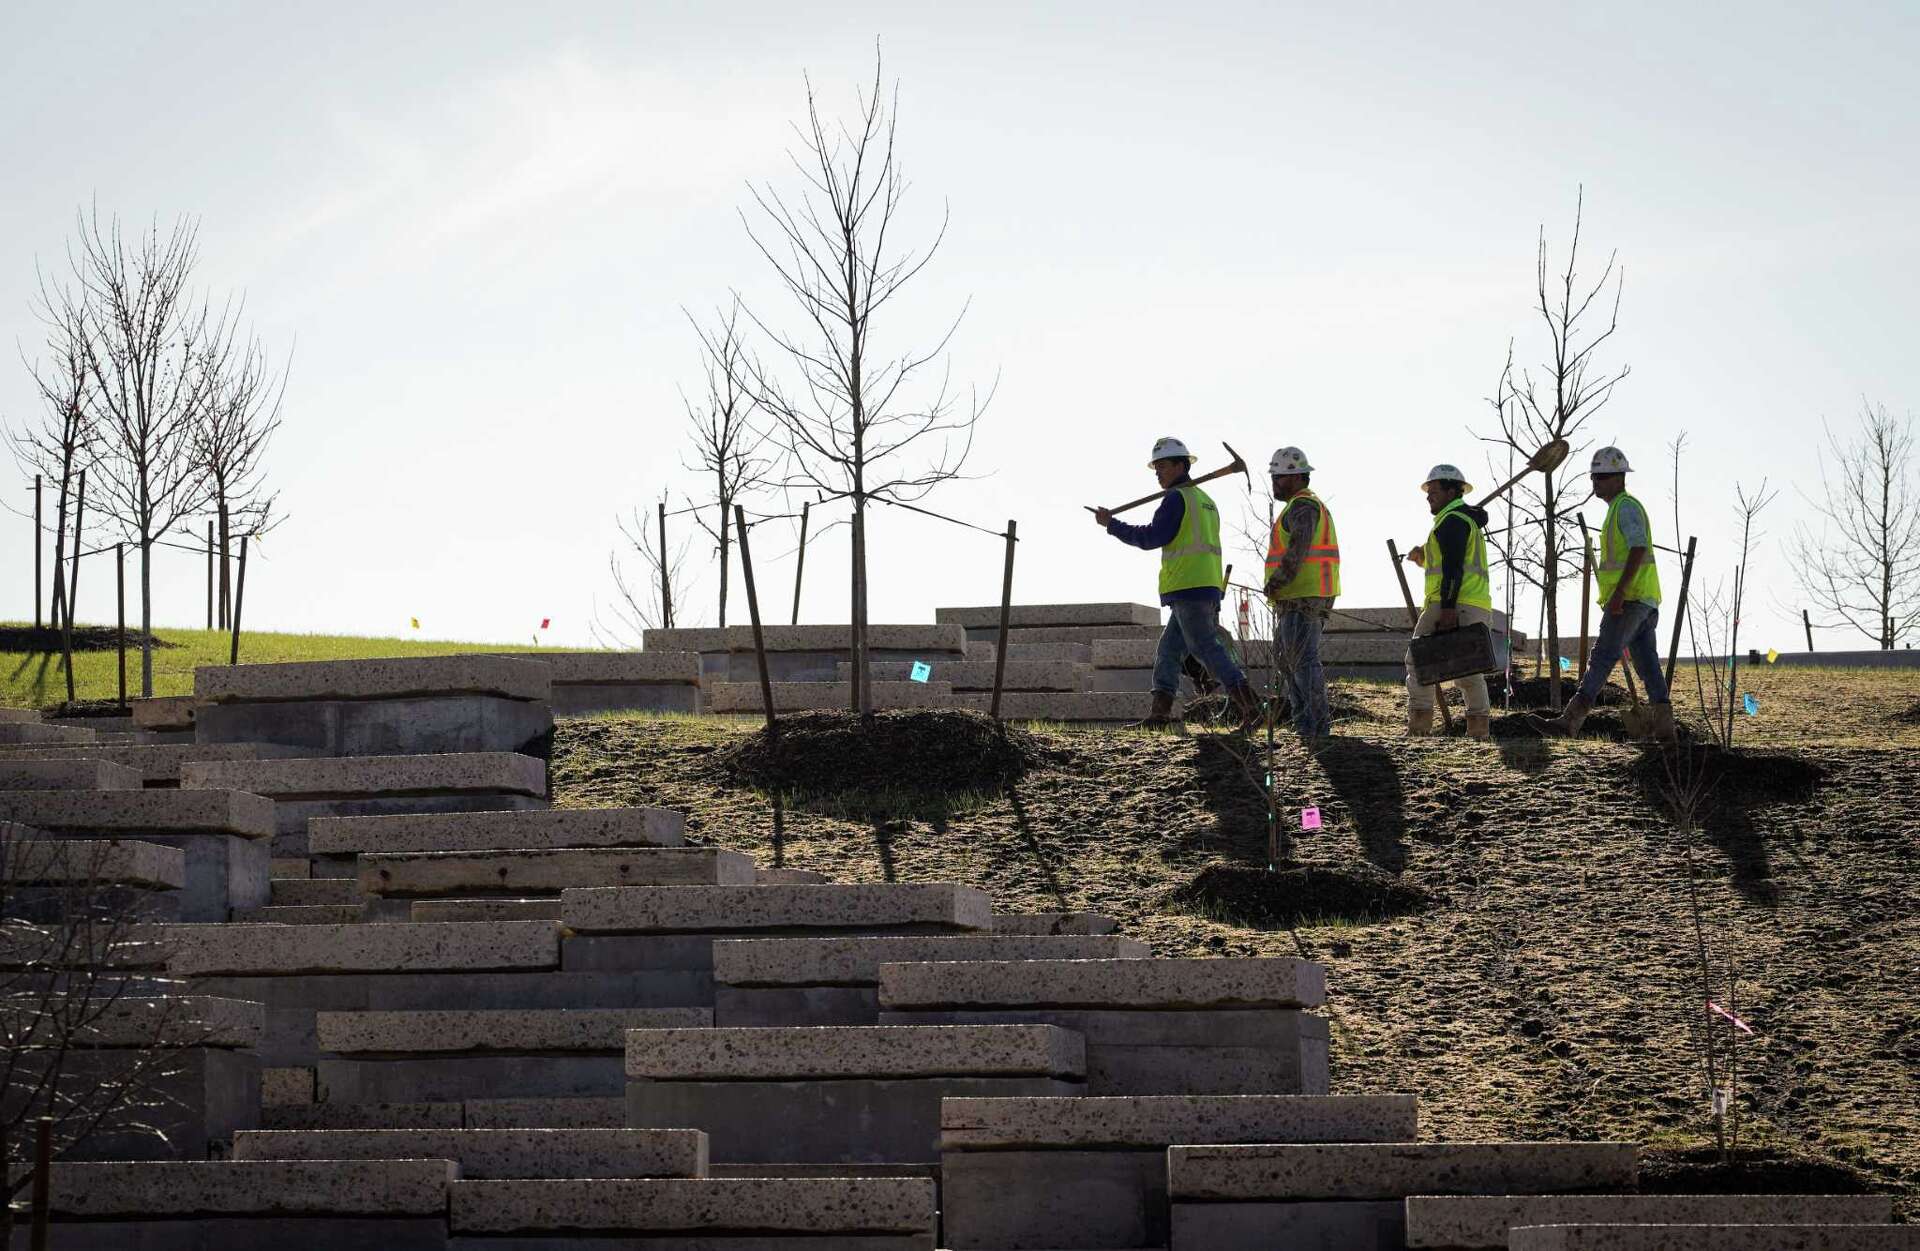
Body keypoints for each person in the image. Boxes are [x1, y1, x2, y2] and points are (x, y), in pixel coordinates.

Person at [1095, 436, 1261, 730]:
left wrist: (1112, 525)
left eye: (1162, 466)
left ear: (1180, 465)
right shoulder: (1205, 501)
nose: (1157, 472)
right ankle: (1159, 715)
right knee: (1169, 650)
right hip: (1204, 586)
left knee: (1206, 648)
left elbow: (1151, 537)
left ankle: (1251, 706)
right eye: (1155, 467)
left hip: (1189, 587)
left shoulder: (1176, 498)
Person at [1536, 447, 1677, 743]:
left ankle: (1570, 721)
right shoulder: (1617, 509)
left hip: (1629, 601)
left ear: (1619, 478)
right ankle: (1666, 731)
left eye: (1602, 476)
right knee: (1648, 665)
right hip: (1644, 601)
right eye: (1593, 476)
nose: (1595, 481)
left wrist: (1619, 594)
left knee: (1601, 657)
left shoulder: (1625, 507)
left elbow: (1638, 549)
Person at [1402, 464, 1494, 740]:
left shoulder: (1452, 521)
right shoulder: (1461, 521)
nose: (1428, 496)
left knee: (1418, 661)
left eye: (1434, 490)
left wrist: (1448, 609)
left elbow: (1454, 568)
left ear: (1453, 490)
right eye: (1427, 491)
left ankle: (1419, 728)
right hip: (1475, 603)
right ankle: (1479, 731)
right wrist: (1425, 557)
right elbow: (1449, 561)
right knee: (1469, 669)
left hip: (1453, 603)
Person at [1262, 446, 1339, 737]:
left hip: (1304, 595)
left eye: (1279, 477)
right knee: (1286, 657)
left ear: (1295, 477)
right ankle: (1304, 723)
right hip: (1297, 595)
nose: (1275, 483)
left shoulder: (1303, 506)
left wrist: (1279, 578)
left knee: (1301, 659)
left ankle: (1315, 726)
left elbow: (1299, 547)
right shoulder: (1300, 505)